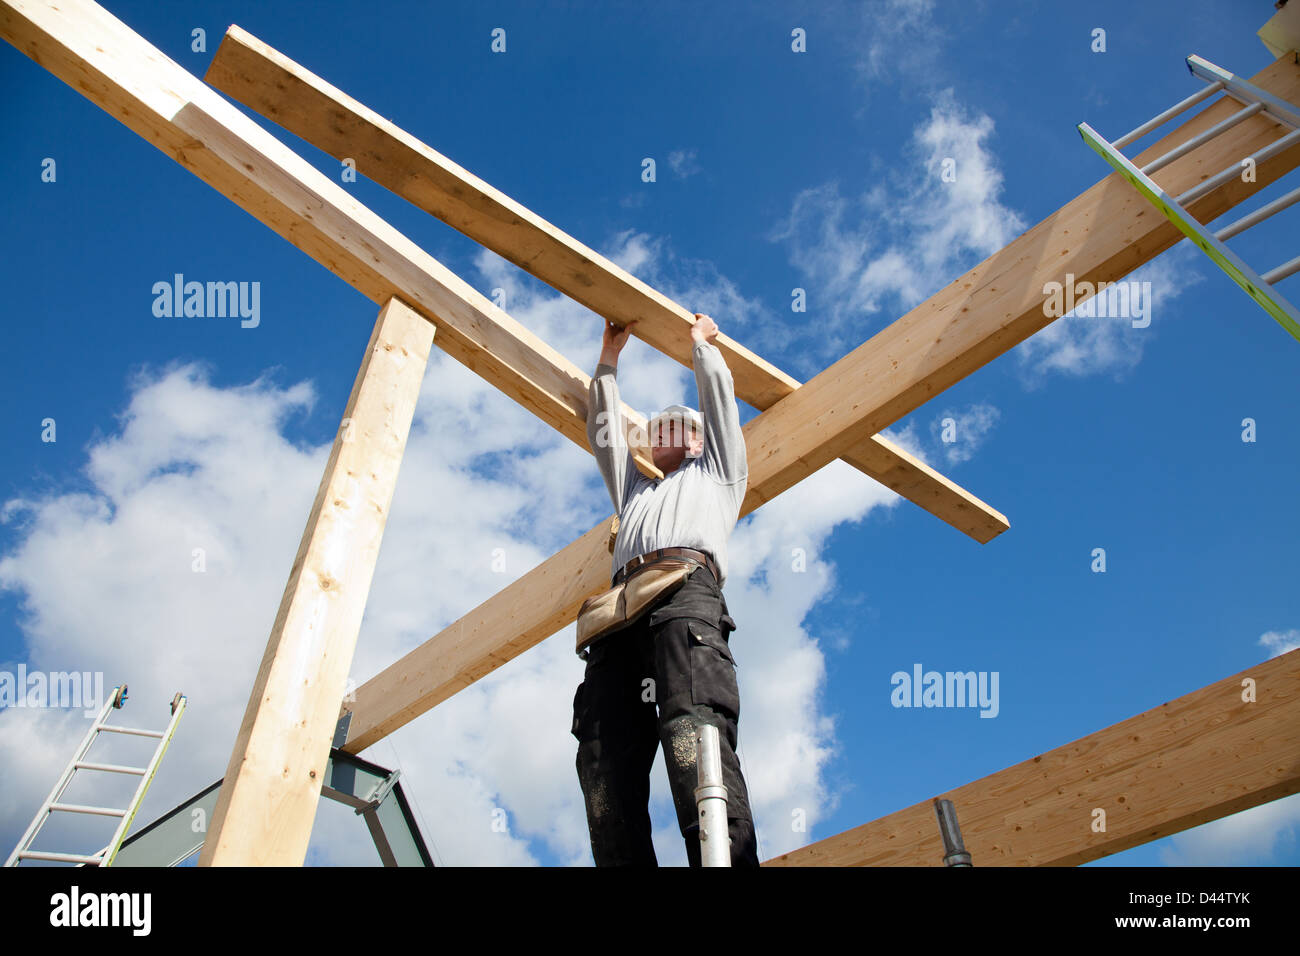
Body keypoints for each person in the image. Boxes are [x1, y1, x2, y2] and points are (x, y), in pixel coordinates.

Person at [571, 311, 759, 867]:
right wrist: (609, 359)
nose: (658, 433)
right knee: (603, 763)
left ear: (700, 441)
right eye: (654, 430)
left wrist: (701, 345)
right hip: (618, 616)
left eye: (674, 425)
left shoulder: (718, 475)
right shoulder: (634, 491)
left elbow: (721, 405)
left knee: (690, 732)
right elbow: (603, 431)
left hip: (682, 594)